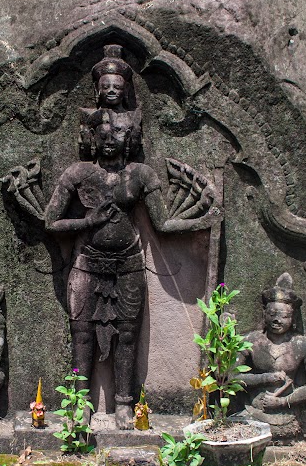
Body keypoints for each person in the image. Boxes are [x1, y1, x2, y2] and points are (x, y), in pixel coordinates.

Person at [45, 108, 214, 428]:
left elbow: (162, 222)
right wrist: (87, 221)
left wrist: (202, 218)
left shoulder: (141, 174)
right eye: (103, 134)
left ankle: (124, 402)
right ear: (91, 138)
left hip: (129, 264)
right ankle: (81, 402)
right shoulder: (77, 173)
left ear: (131, 138)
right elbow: (50, 221)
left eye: (118, 134)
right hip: (86, 263)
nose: (110, 140)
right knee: (81, 335)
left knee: (127, 335)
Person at [236, 273, 306, 443]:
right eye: (272, 314)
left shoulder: (303, 345)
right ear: (264, 314)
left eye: (284, 316)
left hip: (291, 413)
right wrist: (265, 378)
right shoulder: (251, 341)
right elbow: (229, 377)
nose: (277, 320)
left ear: (292, 318)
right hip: (253, 410)